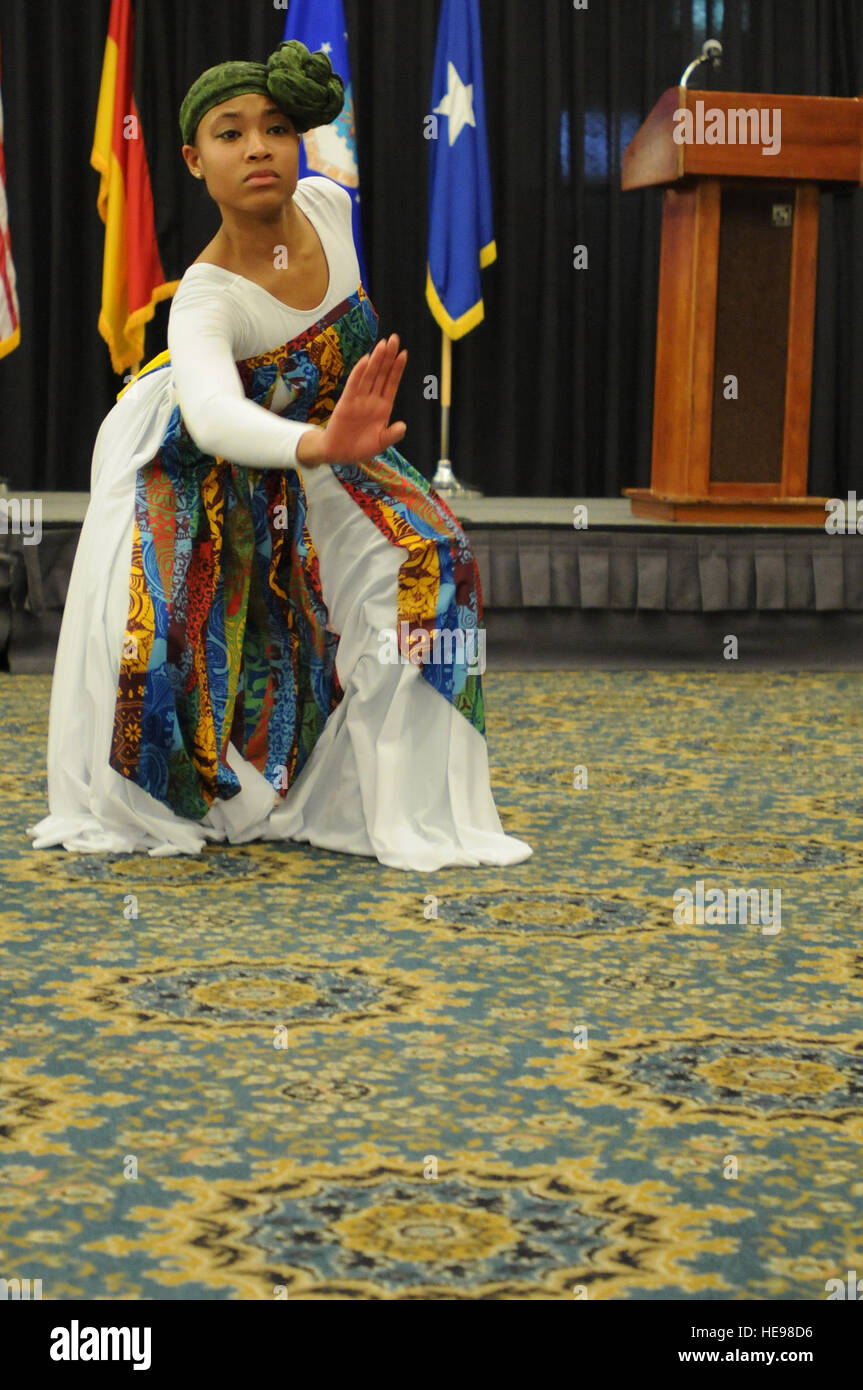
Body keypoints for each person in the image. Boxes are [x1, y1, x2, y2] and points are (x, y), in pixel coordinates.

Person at [27, 40, 532, 872]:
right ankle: (200, 790)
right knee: (176, 651)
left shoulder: (329, 203)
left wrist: (331, 445)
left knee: (434, 556)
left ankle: (407, 807)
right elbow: (218, 414)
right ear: (194, 159)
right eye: (230, 134)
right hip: (197, 456)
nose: (257, 146)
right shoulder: (205, 296)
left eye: (274, 129)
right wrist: (316, 444)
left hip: (322, 438)